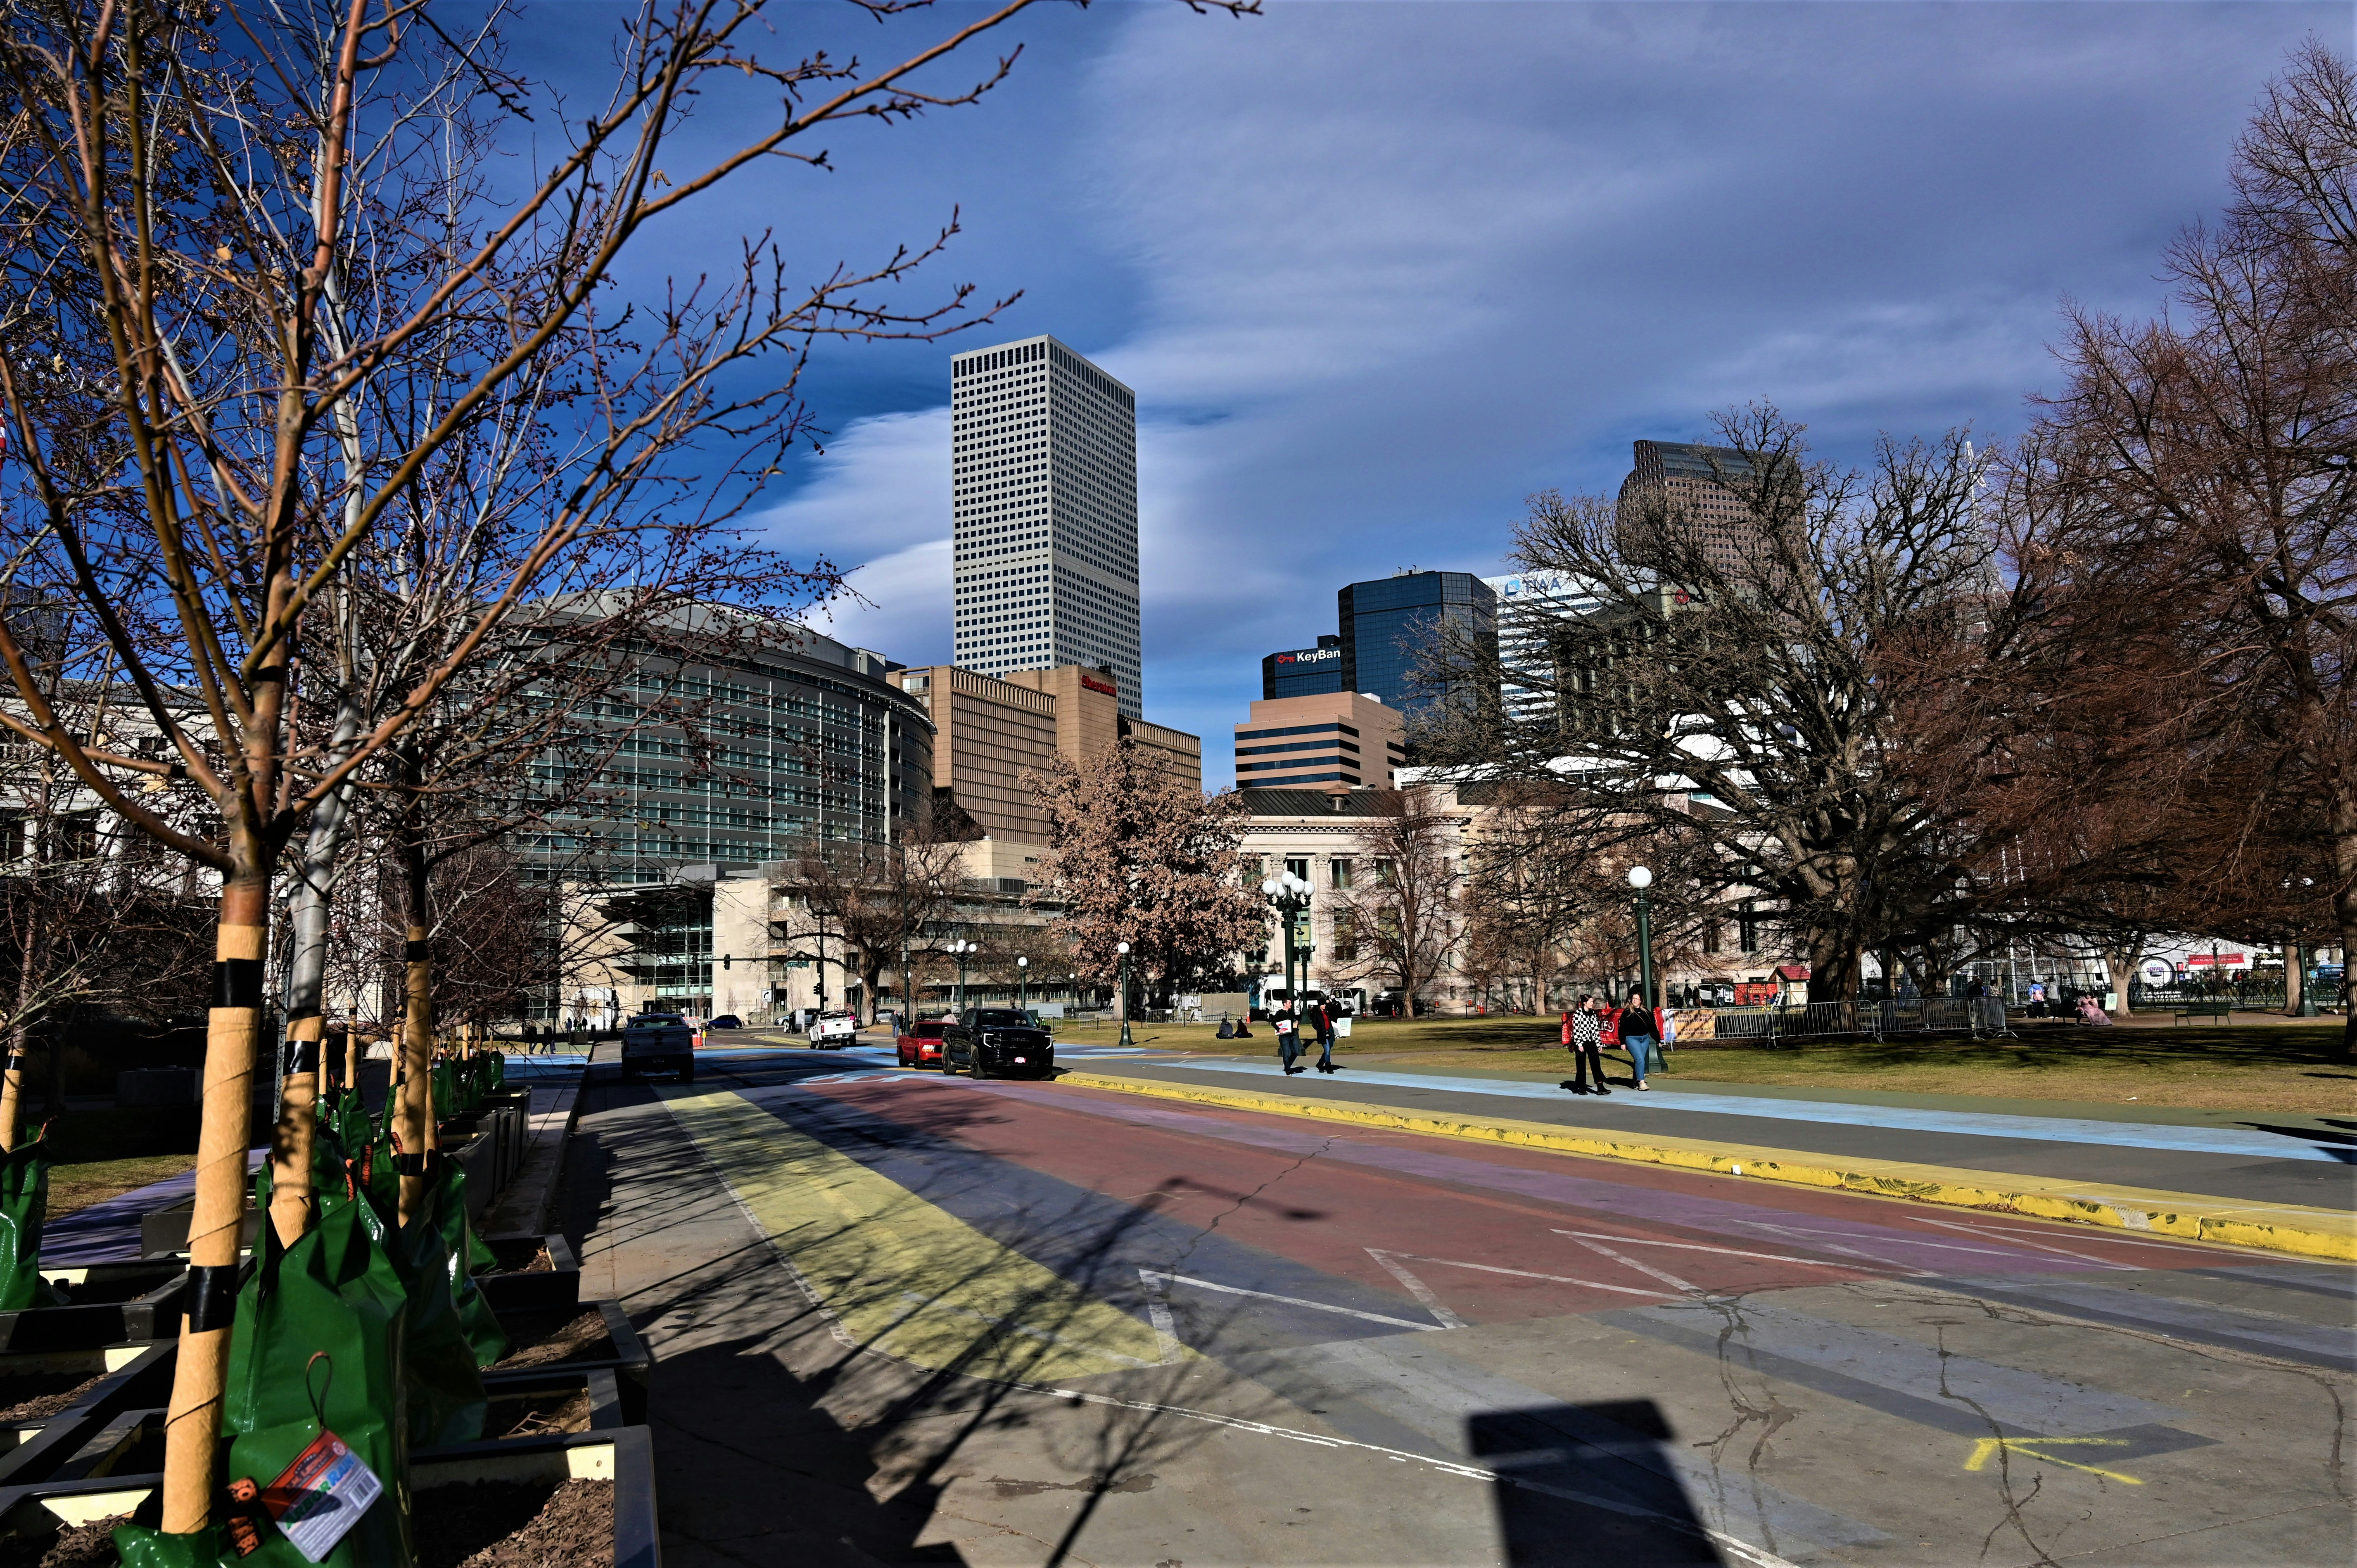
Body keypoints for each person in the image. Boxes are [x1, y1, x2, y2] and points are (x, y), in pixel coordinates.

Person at [1560, 996, 1608, 1095]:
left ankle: (1600, 1087)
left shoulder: (1593, 1014)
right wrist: (1580, 1044)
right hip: (1581, 1043)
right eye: (1591, 1002)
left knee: (1596, 1064)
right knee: (1581, 1065)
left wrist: (1599, 1044)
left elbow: (1596, 1030)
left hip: (1592, 1042)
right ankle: (1581, 1087)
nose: (1593, 1003)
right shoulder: (1578, 1014)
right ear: (1585, 1003)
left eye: (1592, 1001)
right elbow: (1576, 1030)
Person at [1619, 989, 1661, 1090]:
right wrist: (1623, 1042)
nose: (1635, 1000)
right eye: (1633, 999)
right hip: (1632, 1039)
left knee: (1639, 1061)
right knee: (1640, 1059)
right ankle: (1642, 1083)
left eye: (1637, 999)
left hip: (1645, 1039)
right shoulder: (1627, 1013)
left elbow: (1652, 1027)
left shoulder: (1646, 1012)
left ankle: (1636, 1082)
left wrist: (1658, 1040)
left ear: (1641, 1001)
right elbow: (1622, 1028)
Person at [1313, 1001, 1341, 1072]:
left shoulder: (1327, 1012)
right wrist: (1320, 1030)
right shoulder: (1317, 1014)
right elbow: (1314, 1025)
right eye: (1323, 1004)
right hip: (1323, 1034)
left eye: (1325, 1004)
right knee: (1327, 1049)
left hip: (1330, 1032)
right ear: (1320, 1005)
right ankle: (1328, 1066)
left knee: (1328, 1049)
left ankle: (1320, 1064)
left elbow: (1332, 1017)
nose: (1324, 1005)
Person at [1274, 1004, 1303, 1074]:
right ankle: (1288, 1070)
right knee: (1286, 1054)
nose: (1291, 1004)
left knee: (1296, 1052)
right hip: (1284, 1037)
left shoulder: (1291, 1012)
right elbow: (1273, 1023)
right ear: (1285, 1004)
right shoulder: (1280, 1013)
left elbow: (1295, 1019)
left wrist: (1296, 1022)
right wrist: (1279, 1029)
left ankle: (1288, 1064)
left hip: (1293, 1035)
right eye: (1289, 1003)